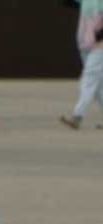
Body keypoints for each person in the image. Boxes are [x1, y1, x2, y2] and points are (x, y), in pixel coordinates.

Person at [60, 0, 103, 130]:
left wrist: (100, 34)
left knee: (88, 79)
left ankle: (77, 116)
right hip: (85, 44)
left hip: (99, 46)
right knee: (98, 86)